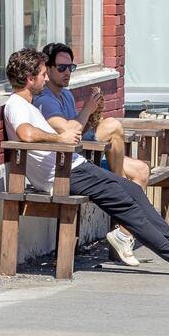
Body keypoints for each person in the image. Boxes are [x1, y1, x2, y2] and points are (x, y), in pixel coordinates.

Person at [3, 48, 169, 274]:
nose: (46, 78)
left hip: (74, 167)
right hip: (62, 175)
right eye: (42, 74)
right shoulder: (16, 105)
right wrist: (59, 137)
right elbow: (26, 134)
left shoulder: (28, 104)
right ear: (30, 79)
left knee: (132, 191)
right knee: (125, 203)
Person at [35, 42, 150, 266]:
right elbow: (69, 132)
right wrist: (87, 109)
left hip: (87, 155)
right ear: (47, 70)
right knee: (113, 126)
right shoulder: (45, 100)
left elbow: (81, 131)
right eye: (61, 68)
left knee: (142, 170)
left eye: (71, 68)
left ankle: (123, 235)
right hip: (70, 166)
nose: (67, 72)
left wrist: (92, 114)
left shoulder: (66, 96)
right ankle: (119, 182)